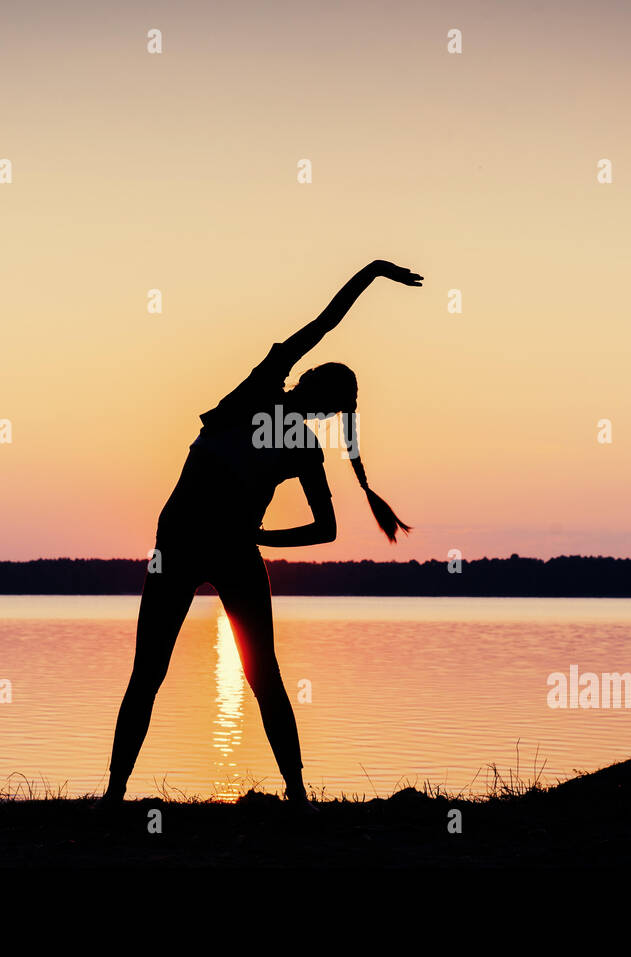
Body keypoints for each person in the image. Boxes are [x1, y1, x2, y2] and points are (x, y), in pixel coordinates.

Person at [100, 259, 422, 807]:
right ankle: (115, 794)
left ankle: (296, 794)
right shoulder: (261, 393)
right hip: (180, 544)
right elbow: (323, 324)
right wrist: (370, 273)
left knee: (254, 674)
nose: (313, 385)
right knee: (152, 672)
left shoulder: (295, 434)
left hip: (221, 550)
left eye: (324, 395)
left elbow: (327, 529)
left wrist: (261, 539)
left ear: (321, 401)